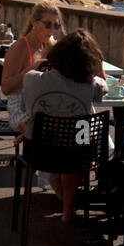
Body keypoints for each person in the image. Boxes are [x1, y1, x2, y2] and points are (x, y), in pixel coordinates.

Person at [21, 29, 109, 223]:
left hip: (38, 152)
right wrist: (99, 64)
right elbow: (105, 88)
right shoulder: (92, 85)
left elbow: (24, 107)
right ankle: (68, 208)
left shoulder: (31, 79)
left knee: (63, 135)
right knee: (83, 133)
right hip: (79, 153)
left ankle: (57, 180)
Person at [1, 1, 61, 133]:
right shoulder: (19, 48)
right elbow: (5, 88)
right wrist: (30, 70)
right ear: (34, 22)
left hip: (45, 106)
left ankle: (105, 150)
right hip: (22, 110)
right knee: (66, 125)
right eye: (47, 24)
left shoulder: (51, 46)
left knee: (83, 117)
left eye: (56, 25)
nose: (52, 30)